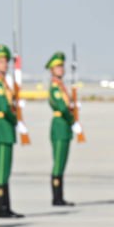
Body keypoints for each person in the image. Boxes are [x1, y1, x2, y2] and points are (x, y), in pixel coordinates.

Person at [0, 44, 25, 219]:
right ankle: (2, 208)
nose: (5, 64)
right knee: (2, 170)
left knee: (6, 169)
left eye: (6, 61)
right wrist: (16, 118)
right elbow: (4, 106)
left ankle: (6, 207)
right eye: (1, 61)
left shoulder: (5, 83)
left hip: (7, 127)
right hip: (3, 127)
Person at [45, 51, 81, 206]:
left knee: (62, 162)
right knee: (58, 162)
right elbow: (62, 107)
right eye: (58, 66)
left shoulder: (61, 86)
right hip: (60, 125)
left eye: (61, 66)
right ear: (52, 70)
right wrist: (73, 120)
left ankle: (59, 196)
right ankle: (56, 198)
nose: (61, 69)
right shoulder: (55, 87)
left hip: (64, 126)